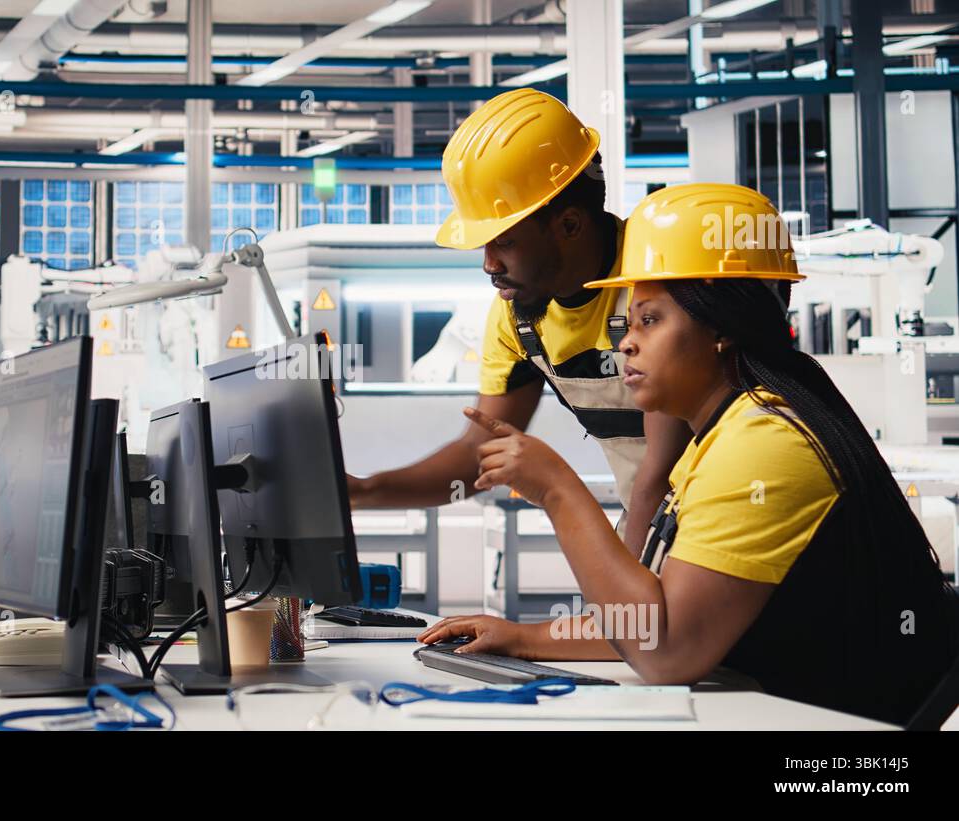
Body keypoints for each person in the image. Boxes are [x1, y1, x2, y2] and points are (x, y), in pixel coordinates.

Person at [417, 183, 959, 724]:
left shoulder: (764, 442)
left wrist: (558, 490)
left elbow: (667, 648)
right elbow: (662, 613)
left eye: (649, 320)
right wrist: (520, 638)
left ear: (719, 325)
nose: (626, 344)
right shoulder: (724, 435)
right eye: (629, 323)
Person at [349, 88, 692, 554]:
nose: (488, 264)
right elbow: (478, 454)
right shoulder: (519, 319)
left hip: (717, 530)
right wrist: (362, 492)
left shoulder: (653, 282)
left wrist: (627, 597)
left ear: (569, 226)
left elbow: (660, 464)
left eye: (503, 242)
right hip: (655, 530)